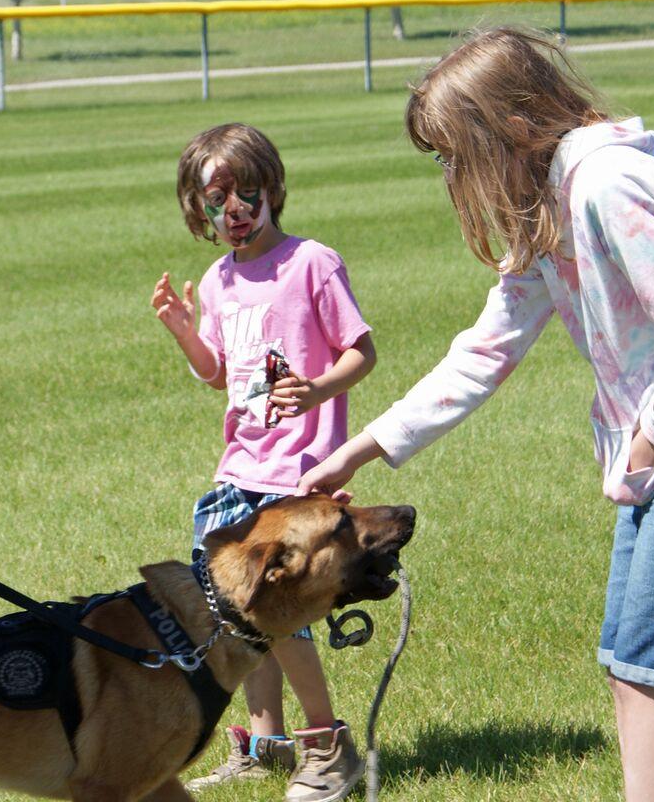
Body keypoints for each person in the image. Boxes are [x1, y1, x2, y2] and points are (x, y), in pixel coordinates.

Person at [298, 27, 654, 802]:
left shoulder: (607, 189)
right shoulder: (551, 211)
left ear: (507, 126)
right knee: (627, 664)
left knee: (646, 669)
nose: (448, 175)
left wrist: (645, 442)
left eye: (450, 153)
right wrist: (361, 449)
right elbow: (483, 351)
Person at [151, 123, 377, 802]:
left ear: (269, 188)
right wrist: (184, 332)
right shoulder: (220, 279)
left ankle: (327, 748)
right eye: (213, 199)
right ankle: (259, 742)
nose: (231, 211)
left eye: (242, 192)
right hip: (238, 468)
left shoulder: (311, 262)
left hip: (297, 474)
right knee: (232, 612)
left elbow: (360, 352)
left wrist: (317, 389)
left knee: (279, 616)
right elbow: (221, 375)